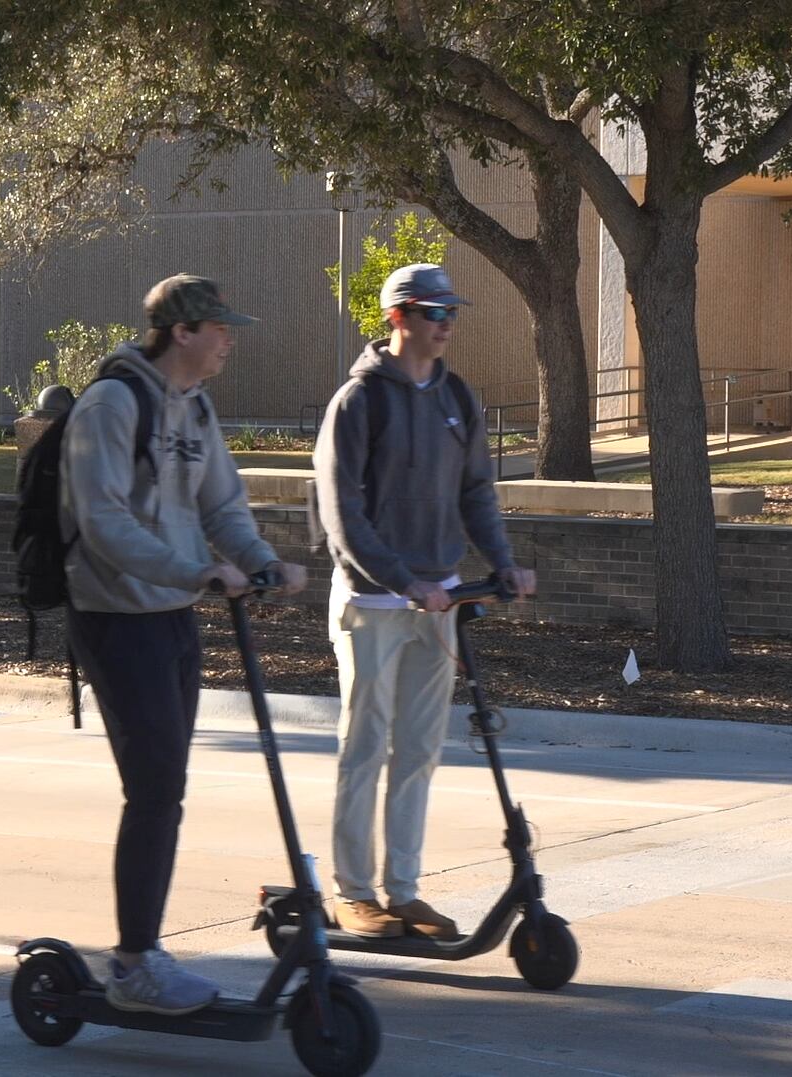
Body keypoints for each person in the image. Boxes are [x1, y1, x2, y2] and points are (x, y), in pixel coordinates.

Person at [61, 273, 309, 1015]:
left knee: (165, 790)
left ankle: (142, 951)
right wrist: (195, 568)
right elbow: (104, 523)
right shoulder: (111, 404)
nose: (230, 340)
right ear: (183, 333)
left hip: (172, 611)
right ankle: (135, 962)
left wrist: (258, 559)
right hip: (114, 615)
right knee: (156, 788)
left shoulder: (194, 407)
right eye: (221, 328)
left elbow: (222, 504)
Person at [312, 263, 536, 942]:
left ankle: (402, 890)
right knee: (365, 745)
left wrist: (500, 563)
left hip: (439, 603)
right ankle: (353, 892)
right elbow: (341, 512)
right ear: (398, 316)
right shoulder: (358, 401)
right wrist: (401, 579)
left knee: (417, 749)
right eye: (434, 312)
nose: (446, 324)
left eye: (452, 313)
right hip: (372, 603)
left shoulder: (458, 397)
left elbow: (476, 494)